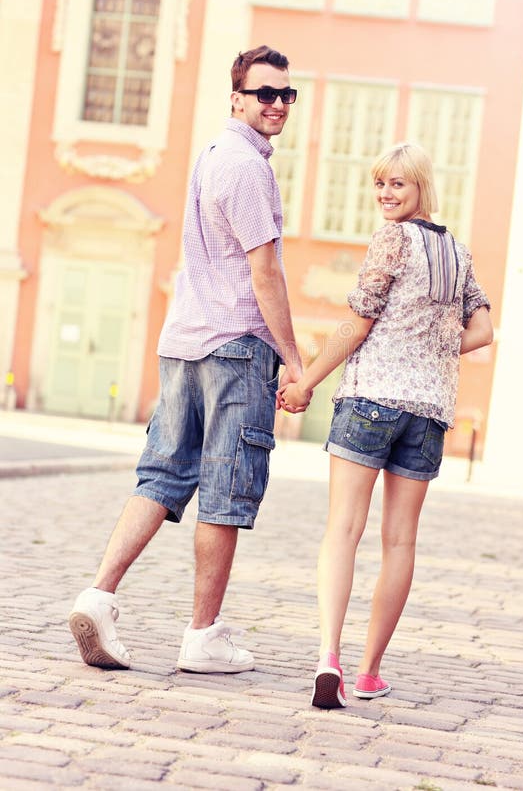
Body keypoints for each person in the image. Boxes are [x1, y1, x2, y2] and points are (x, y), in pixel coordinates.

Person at [69, 44, 308, 674]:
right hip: (234, 348)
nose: (278, 104)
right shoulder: (248, 169)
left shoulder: (212, 155)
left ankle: (98, 595)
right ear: (237, 98)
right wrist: (294, 358)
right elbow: (265, 272)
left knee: (162, 475)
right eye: (265, 93)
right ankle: (203, 635)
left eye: (287, 94)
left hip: (183, 344)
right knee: (226, 491)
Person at [279, 141, 493, 708]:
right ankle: (370, 672)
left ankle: (331, 657)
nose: (385, 194)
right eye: (379, 184)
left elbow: (357, 323)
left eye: (397, 184)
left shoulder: (392, 240)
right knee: (400, 541)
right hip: (428, 414)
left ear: (421, 186)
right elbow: (483, 330)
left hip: (372, 399)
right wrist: (435, 342)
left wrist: (306, 383)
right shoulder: (459, 252)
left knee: (343, 530)